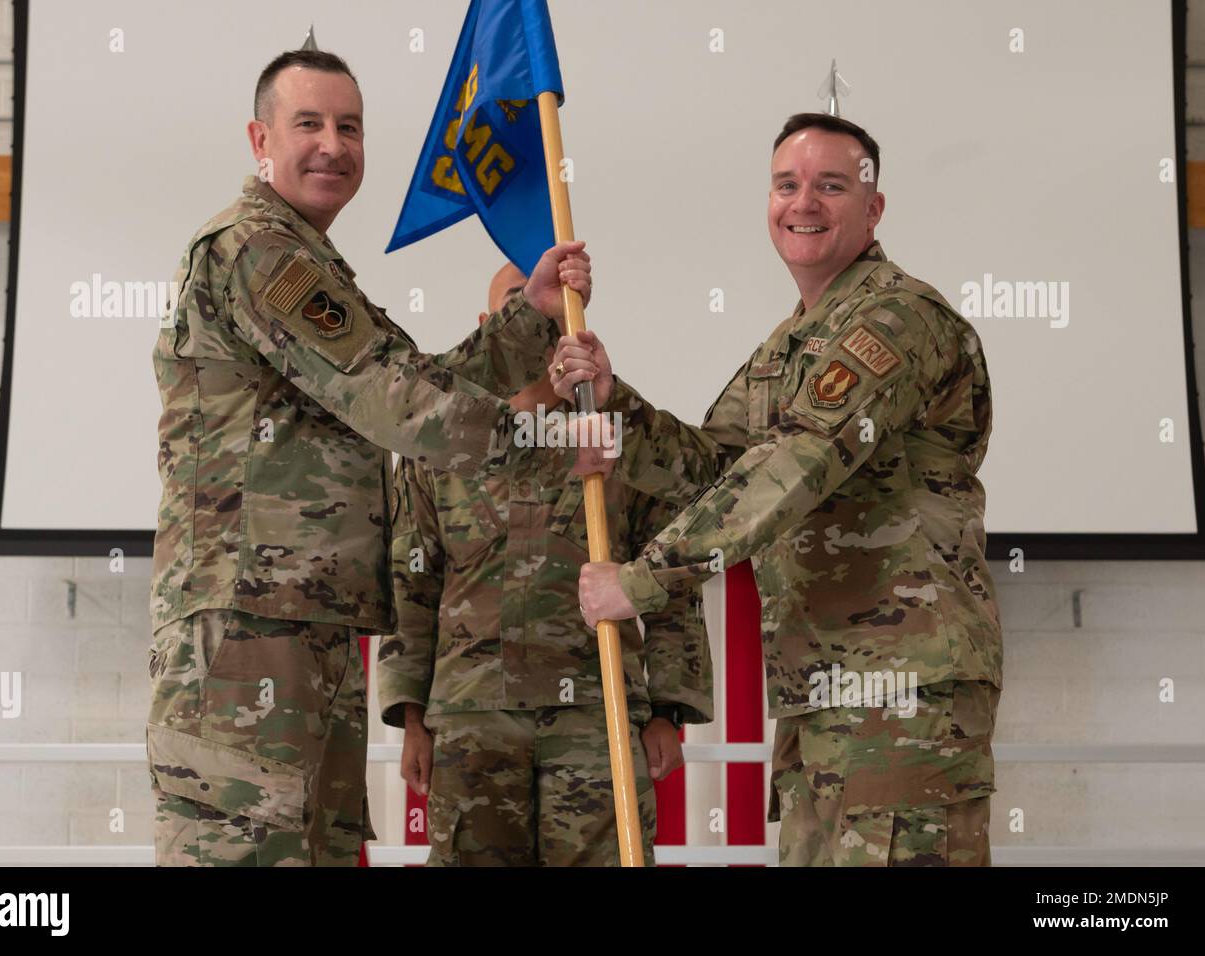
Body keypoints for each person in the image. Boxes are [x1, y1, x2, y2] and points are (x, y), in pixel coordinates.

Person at [147, 45, 590, 866]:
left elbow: (411, 382)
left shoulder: (311, 264)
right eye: (308, 123)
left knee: (314, 851)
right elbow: (400, 406)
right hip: (250, 624)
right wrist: (551, 444)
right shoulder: (258, 251)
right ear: (260, 138)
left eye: (349, 127)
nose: (333, 145)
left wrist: (527, 318)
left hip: (306, 620)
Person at [551, 112, 1003, 866]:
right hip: (821, 690)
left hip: (902, 692)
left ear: (874, 207)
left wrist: (644, 580)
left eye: (831, 185)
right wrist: (614, 403)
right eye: (787, 185)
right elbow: (714, 464)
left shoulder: (894, 319)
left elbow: (796, 466)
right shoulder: (790, 343)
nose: (804, 204)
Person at [377, 262, 712, 866]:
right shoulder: (442, 448)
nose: (547, 321)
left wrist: (667, 711)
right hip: (474, 716)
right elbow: (412, 585)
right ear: (491, 326)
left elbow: (671, 583)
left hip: (597, 713)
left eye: (563, 310)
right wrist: (410, 716)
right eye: (526, 306)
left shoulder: (620, 439)